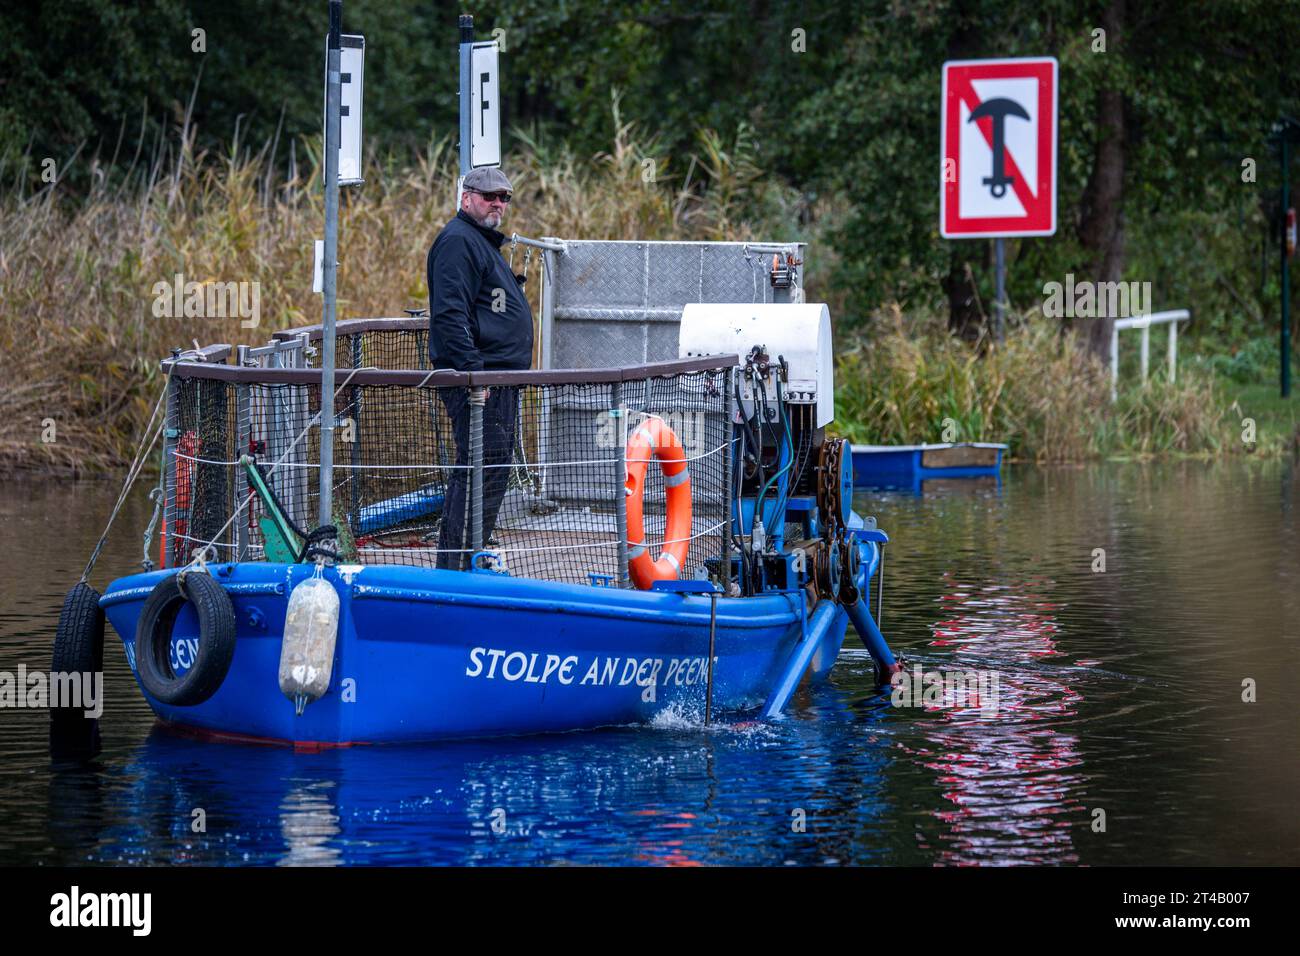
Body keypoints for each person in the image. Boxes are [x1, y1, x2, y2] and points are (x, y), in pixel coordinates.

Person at [426, 167, 534, 569]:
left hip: (497, 380)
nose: (498, 204)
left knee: (490, 467)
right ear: (466, 197)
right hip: (477, 382)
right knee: (479, 467)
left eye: (504, 197)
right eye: (489, 196)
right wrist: (473, 374)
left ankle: (470, 556)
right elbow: (450, 314)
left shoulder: (481, 242)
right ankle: (455, 565)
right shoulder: (458, 241)